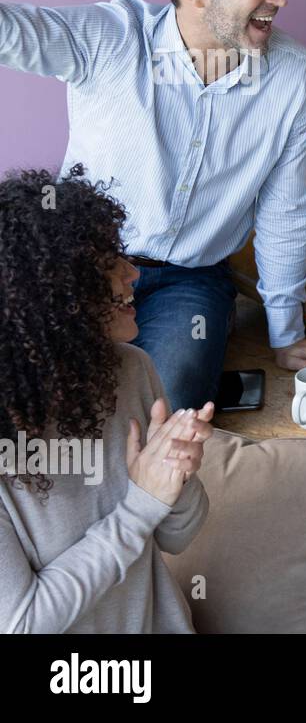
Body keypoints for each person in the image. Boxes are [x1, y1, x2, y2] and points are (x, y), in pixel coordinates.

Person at [0, 0, 306, 414]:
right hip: (85, 264)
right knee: (36, 397)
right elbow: (13, 33)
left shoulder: (296, 79)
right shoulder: (110, 38)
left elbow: (286, 212)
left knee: (165, 404)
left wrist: (284, 333)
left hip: (190, 281)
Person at [0, 166, 213, 633]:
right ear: (48, 296)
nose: (133, 273)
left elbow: (177, 537)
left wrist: (175, 475)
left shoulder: (131, 369)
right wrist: (140, 504)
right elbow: (21, 623)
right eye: (107, 265)